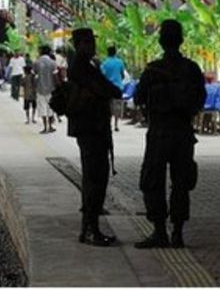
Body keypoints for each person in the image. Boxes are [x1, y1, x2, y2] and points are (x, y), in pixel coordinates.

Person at [133, 20, 205, 249]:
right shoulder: (192, 69)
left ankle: (159, 231)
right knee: (181, 183)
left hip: (159, 134)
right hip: (184, 133)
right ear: (181, 40)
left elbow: (138, 98)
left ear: (161, 41)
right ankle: (178, 233)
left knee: (153, 181)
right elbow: (200, 99)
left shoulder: (153, 70)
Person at [67, 28, 123, 247]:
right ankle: (91, 230)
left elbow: (106, 87)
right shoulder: (82, 68)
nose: (93, 46)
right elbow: (105, 88)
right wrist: (110, 89)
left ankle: (89, 229)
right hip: (91, 129)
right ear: (80, 44)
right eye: (89, 42)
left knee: (94, 177)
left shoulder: (86, 66)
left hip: (92, 128)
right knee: (95, 179)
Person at [100, 46, 128, 132]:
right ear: (115, 52)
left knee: (108, 106)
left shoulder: (104, 63)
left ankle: (109, 124)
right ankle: (116, 125)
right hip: (118, 87)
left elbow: (102, 76)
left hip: (107, 87)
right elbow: (123, 75)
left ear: (107, 53)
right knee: (117, 107)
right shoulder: (120, 62)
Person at [34, 45, 58, 134]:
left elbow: (34, 75)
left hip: (40, 88)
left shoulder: (36, 62)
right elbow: (55, 77)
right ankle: (51, 126)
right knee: (50, 108)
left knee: (42, 108)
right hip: (51, 88)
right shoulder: (53, 63)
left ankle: (45, 127)